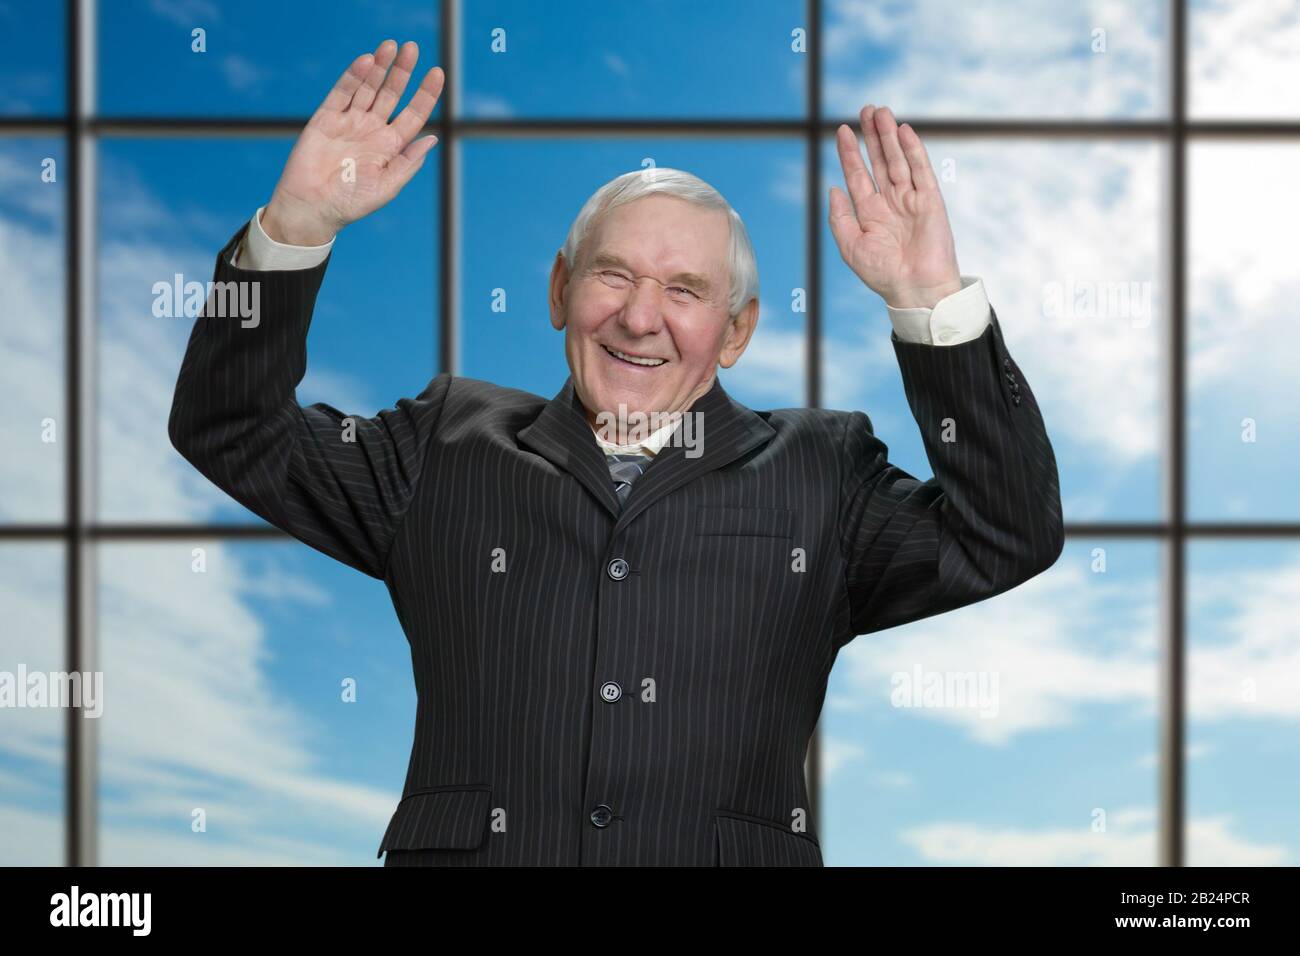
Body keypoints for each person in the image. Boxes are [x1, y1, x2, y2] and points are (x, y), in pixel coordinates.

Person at [168, 39, 1064, 866]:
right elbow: (230, 427)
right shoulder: (442, 442)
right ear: (560, 288)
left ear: (737, 330)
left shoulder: (823, 471)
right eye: (613, 275)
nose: (641, 317)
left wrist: (930, 301)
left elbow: (1007, 533)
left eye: (684, 290)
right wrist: (293, 229)